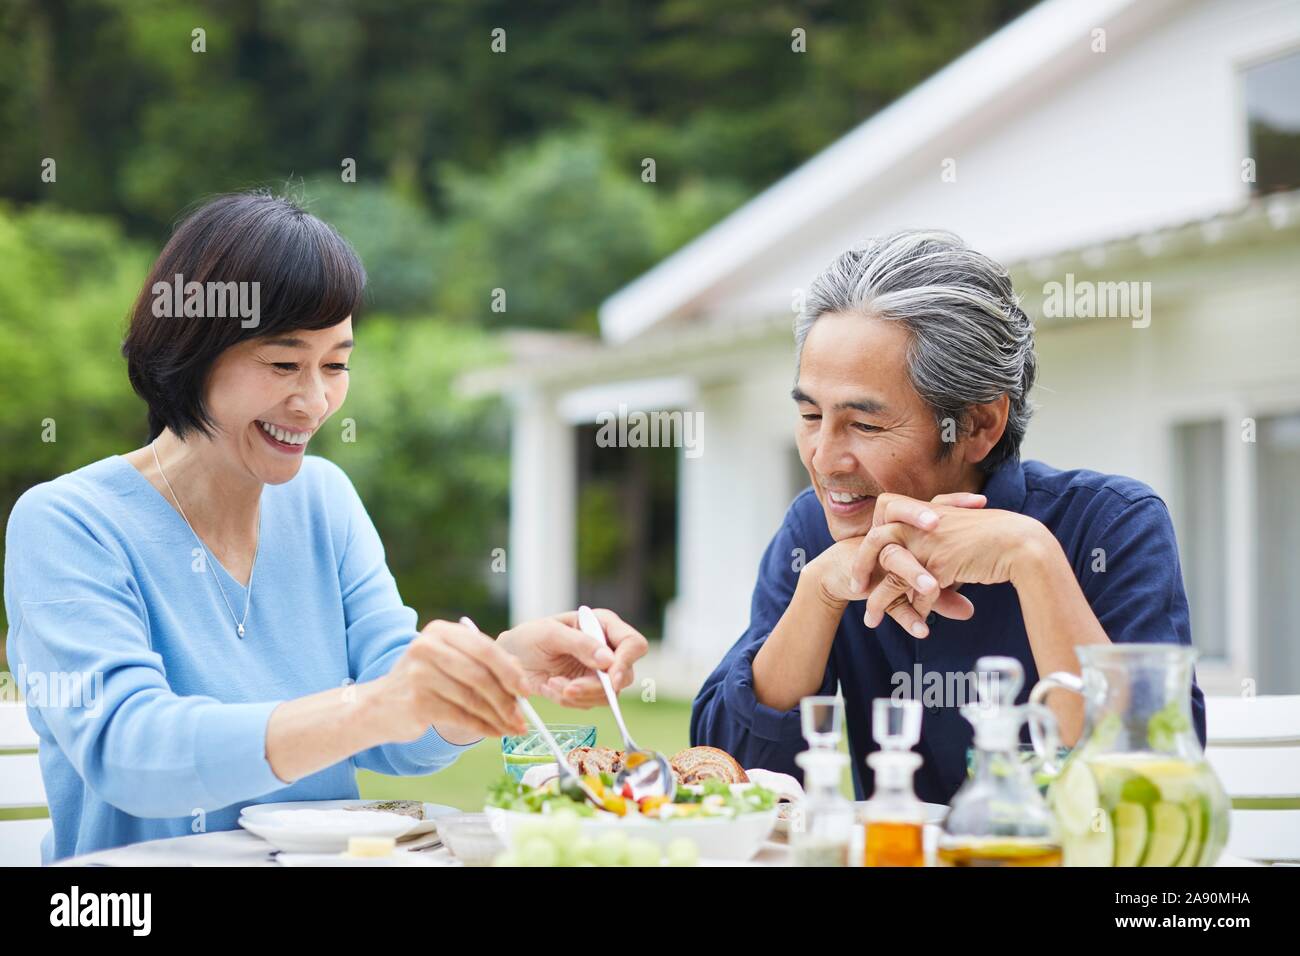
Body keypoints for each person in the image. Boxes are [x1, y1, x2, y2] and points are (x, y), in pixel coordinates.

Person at [3, 191, 647, 863]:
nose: (314, 402)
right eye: (284, 364)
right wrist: (370, 707)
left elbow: (400, 736)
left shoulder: (324, 501)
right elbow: (129, 749)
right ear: (191, 351)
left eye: (335, 365)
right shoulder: (69, 524)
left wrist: (499, 668)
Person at [691, 230, 1205, 803]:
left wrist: (1032, 559)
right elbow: (725, 777)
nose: (824, 459)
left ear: (978, 425)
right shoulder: (814, 533)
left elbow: (1148, 786)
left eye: (865, 425)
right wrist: (819, 593)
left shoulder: (1111, 526)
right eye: (811, 416)